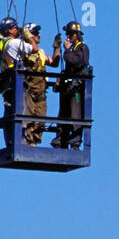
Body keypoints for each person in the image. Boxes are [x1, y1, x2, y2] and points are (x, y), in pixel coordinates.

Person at [52, 21, 90, 149]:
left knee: (75, 115)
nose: (67, 37)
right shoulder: (74, 48)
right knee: (63, 114)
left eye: (69, 34)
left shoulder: (82, 48)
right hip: (67, 88)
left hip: (76, 89)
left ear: (76, 35)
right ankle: (60, 141)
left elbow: (77, 61)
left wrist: (67, 50)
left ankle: (74, 143)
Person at [20, 24, 60, 145]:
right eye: (36, 32)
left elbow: (54, 63)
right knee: (29, 118)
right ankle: (28, 142)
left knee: (41, 118)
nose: (39, 35)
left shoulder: (41, 53)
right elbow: (33, 49)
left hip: (41, 92)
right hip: (29, 91)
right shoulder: (24, 49)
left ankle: (34, 142)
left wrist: (57, 48)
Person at [0, 18, 20, 145]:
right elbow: (33, 50)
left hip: (7, 84)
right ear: (9, 30)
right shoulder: (14, 43)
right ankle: (18, 142)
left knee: (9, 113)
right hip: (15, 82)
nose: (17, 29)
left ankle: (10, 142)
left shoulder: (1, 44)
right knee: (18, 112)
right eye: (14, 27)